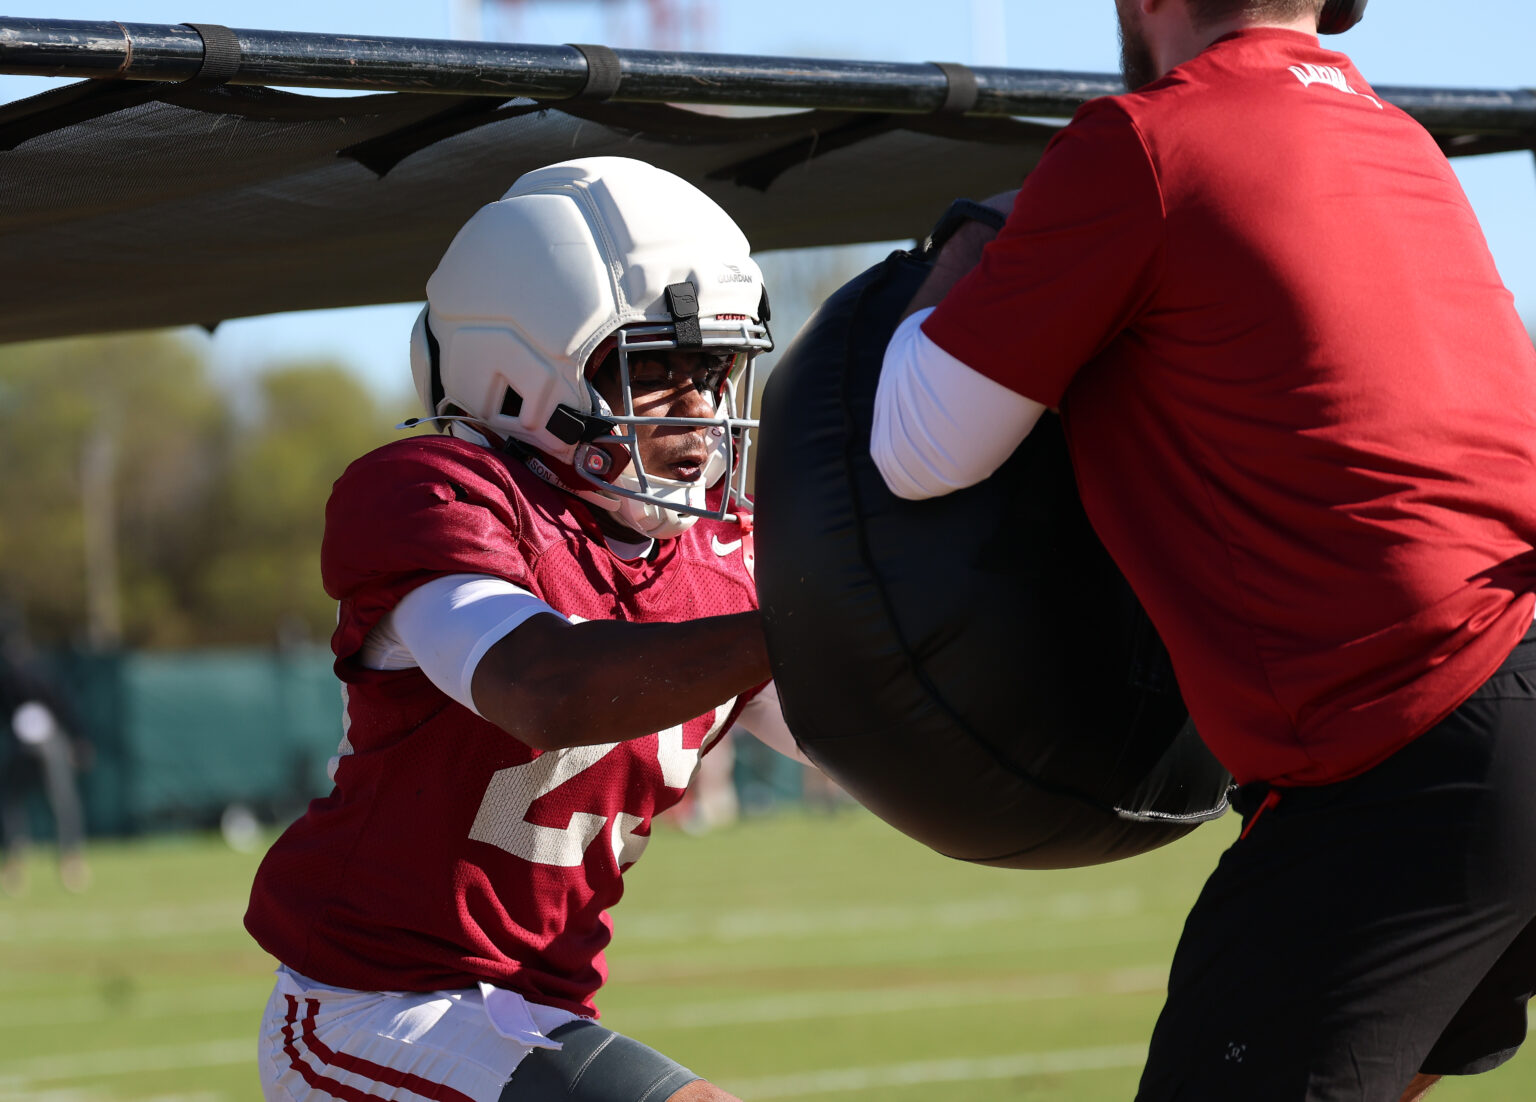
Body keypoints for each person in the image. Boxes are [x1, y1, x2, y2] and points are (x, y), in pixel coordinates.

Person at [870, 1, 1536, 1100]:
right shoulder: (1395, 138)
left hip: (1410, 745)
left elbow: (915, 447)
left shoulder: (1142, 140)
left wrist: (971, 246)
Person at [245, 156, 807, 1102]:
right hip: (372, 1010)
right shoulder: (437, 493)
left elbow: (864, 742)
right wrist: (798, 624)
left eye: (713, 367)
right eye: (656, 365)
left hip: (538, 1021)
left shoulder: (723, 561)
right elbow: (543, 689)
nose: (702, 404)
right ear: (518, 373)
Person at [0, 627, 90, 895]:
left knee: (61, 800)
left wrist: (78, 738)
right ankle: (17, 862)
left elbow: (63, 705)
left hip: (48, 742)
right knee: (13, 800)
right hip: (23, 744)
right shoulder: (12, 676)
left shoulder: (40, 672)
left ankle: (70, 860)